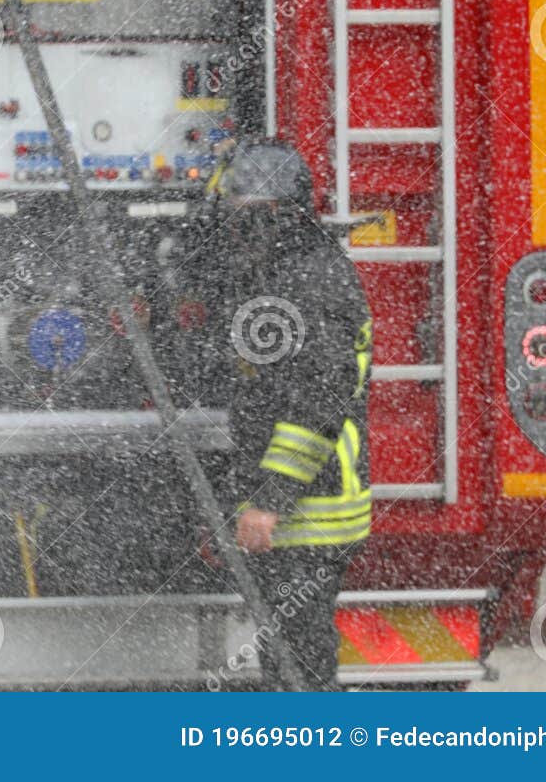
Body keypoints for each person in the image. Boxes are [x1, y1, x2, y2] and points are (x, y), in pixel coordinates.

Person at [204, 139, 373, 690]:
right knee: (285, 658)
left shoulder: (307, 278)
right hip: (300, 506)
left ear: (282, 212)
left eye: (252, 215)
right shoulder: (289, 268)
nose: (241, 227)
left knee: (299, 662)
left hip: (311, 509)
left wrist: (271, 502)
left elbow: (320, 399)